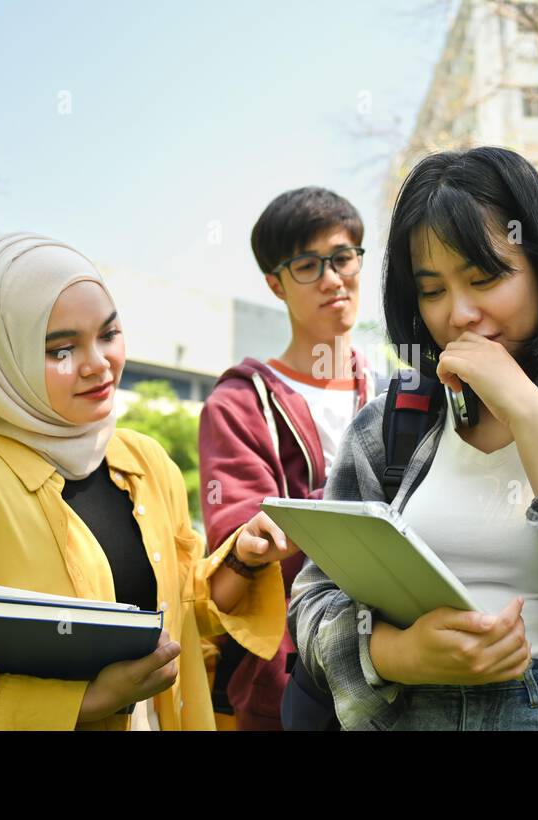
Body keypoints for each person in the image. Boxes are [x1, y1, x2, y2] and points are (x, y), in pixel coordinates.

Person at [287, 147, 538, 730]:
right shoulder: (383, 430)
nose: (461, 313)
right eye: (433, 289)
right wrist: (397, 655)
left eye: (485, 277)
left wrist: (526, 407)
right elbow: (313, 602)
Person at [0, 232, 289, 730]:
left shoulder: (143, 461)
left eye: (107, 334)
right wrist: (84, 699)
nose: (98, 364)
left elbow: (179, 616)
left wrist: (241, 562)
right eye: (61, 348)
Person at [198, 187, 378, 730]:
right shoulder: (239, 402)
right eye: (307, 264)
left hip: (402, 665)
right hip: (290, 680)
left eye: (342, 257)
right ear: (275, 283)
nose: (331, 278)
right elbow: (243, 543)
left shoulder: (400, 390)